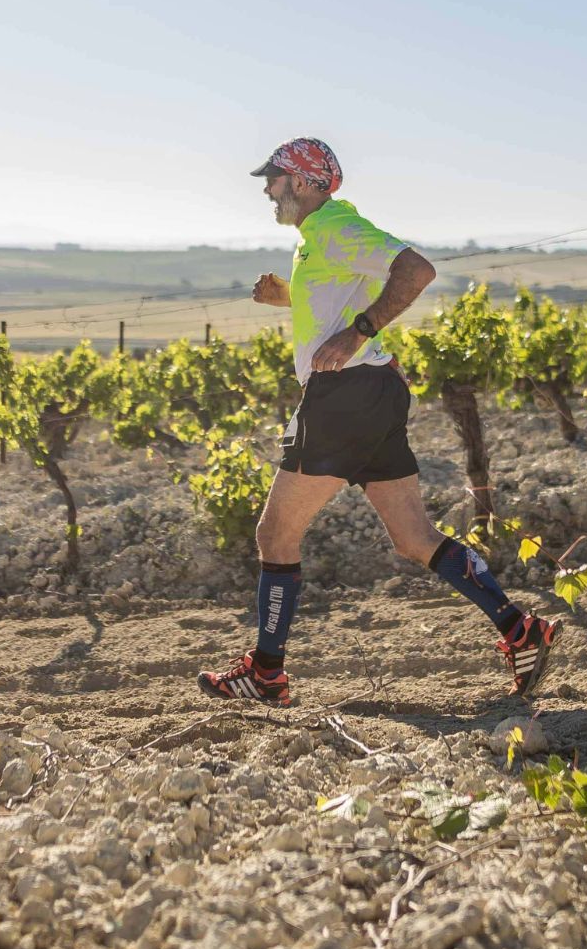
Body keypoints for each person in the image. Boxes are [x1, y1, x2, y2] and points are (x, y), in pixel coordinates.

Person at [198, 137, 561, 708]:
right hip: (373, 392)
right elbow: (336, 298)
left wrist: (359, 332)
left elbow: (416, 270)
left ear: (302, 181)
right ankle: (521, 631)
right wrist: (288, 299)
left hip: (344, 395)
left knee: (275, 534)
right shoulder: (318, 236)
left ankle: (266, 673)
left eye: (274, 178)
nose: (266, 189)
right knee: (415, 539)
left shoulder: (336, 227)